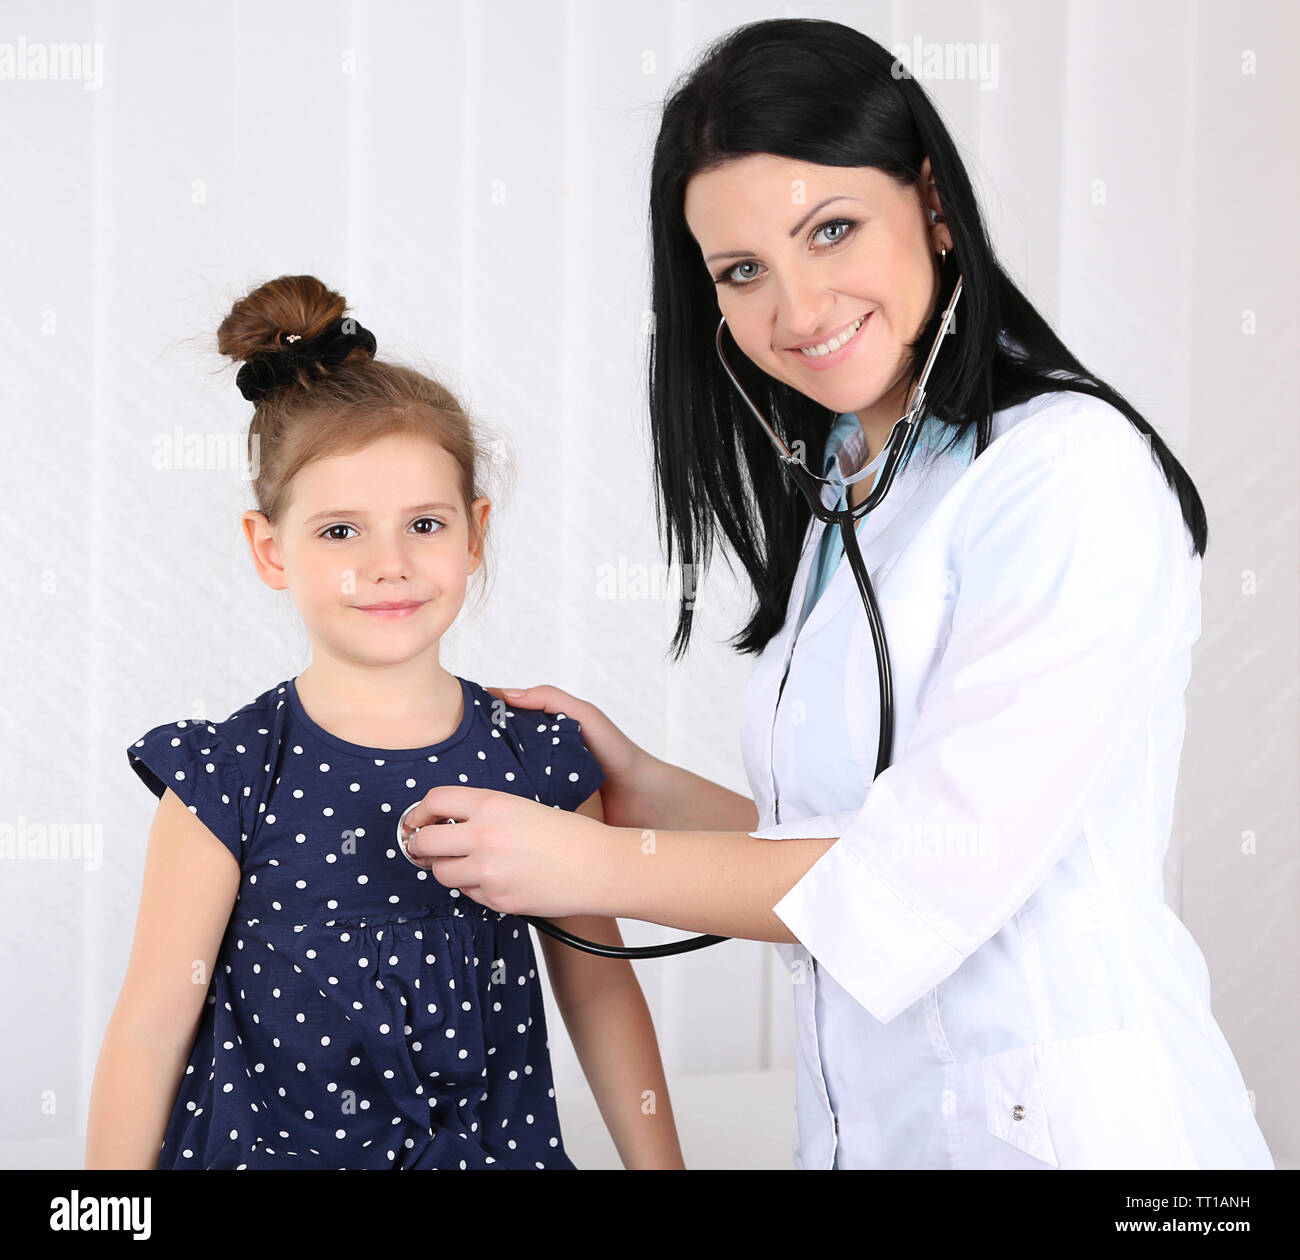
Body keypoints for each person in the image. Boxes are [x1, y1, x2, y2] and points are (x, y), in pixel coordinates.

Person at [399, 19, 1275, 1170]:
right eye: (743, 271)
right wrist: (643, 790)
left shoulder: (1067, 472)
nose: (798, 309)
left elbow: (927, 878)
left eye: (832, 230)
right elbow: (845, 843)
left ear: (933, 206)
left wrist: (581, 867)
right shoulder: (852, 490)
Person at [84, 274, 684, 1170]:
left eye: (426, 524)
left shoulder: (537, 760)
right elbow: (149, 1029)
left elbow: (597, 994)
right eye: (339, 532)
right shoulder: (230, 776)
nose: (389, 564)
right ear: (269, 548)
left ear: (475, 534)